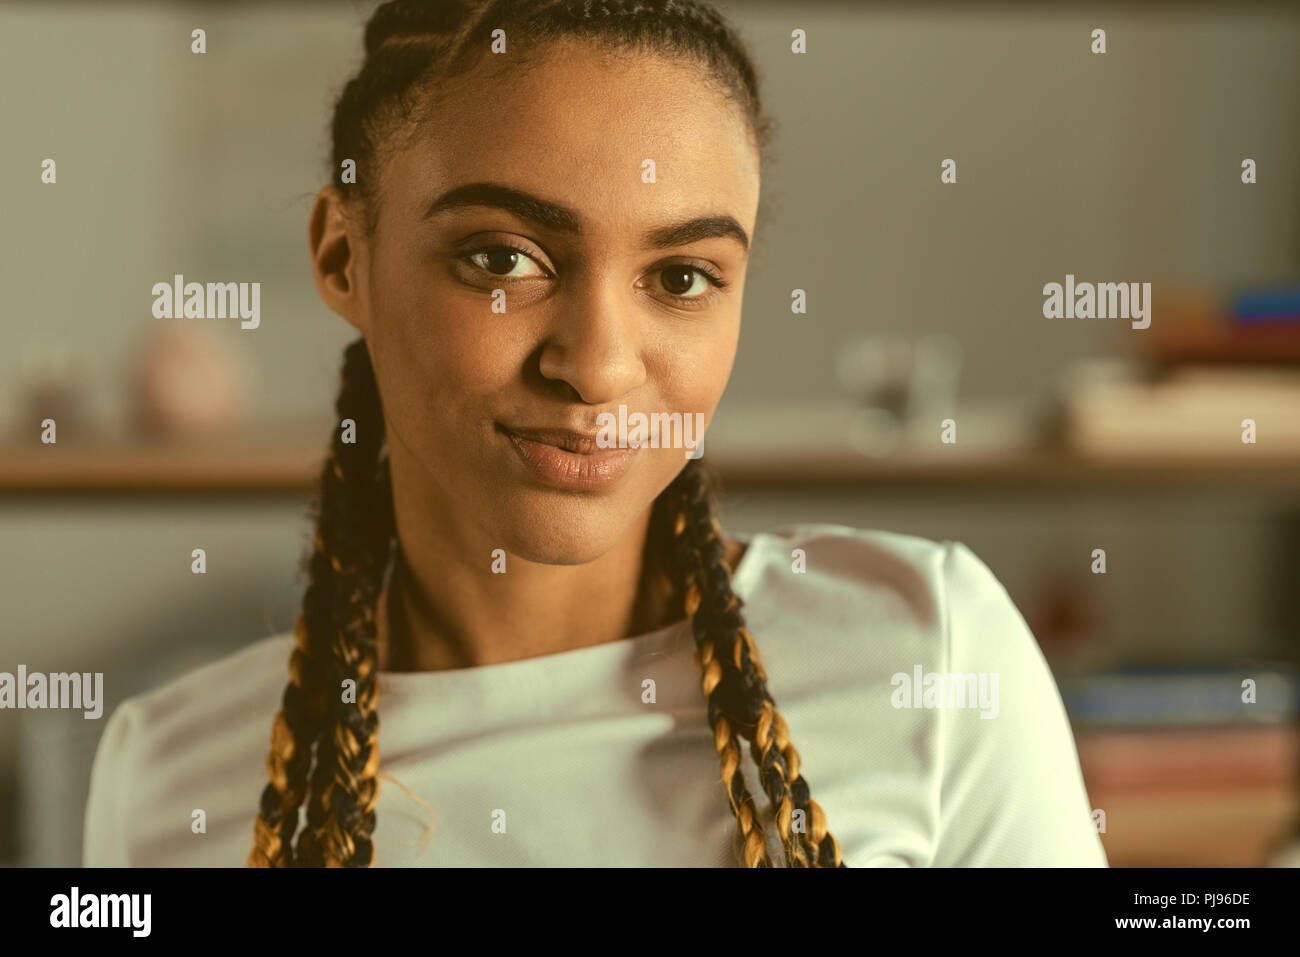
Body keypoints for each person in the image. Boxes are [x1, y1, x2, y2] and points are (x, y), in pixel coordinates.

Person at [83, 0, 1107, 868]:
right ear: (345, 256)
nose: (600, 364)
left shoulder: (930, 651)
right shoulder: (165, 775)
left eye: (681, 278)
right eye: (503, 258)